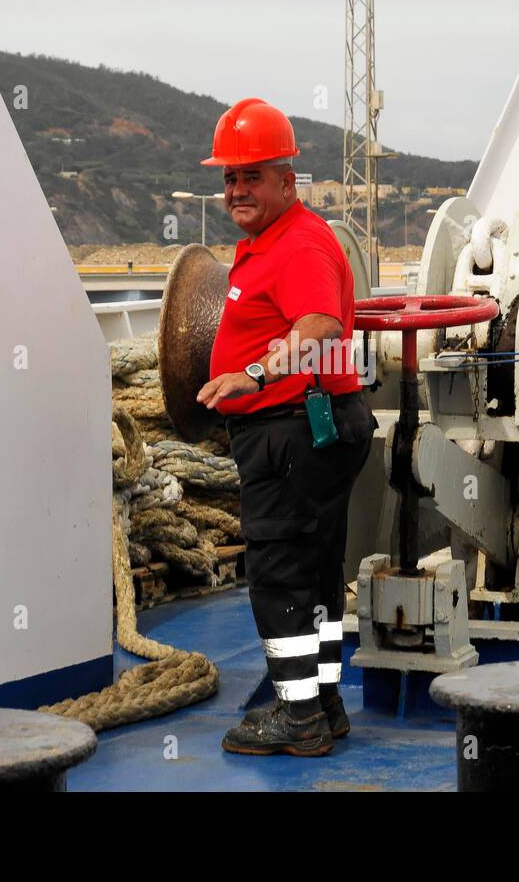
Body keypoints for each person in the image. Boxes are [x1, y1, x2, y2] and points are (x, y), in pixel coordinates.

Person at [195, 98, 377, 757]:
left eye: (253, 176)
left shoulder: (297, 242)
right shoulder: (272, 240)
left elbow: (320, 326)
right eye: (230, 178)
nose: (238, 189)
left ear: (287, 182)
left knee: (280, 574)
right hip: (309, 427)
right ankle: (323, 701)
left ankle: (296, 716)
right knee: (316, 571)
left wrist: (257, 376)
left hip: (292, 429)